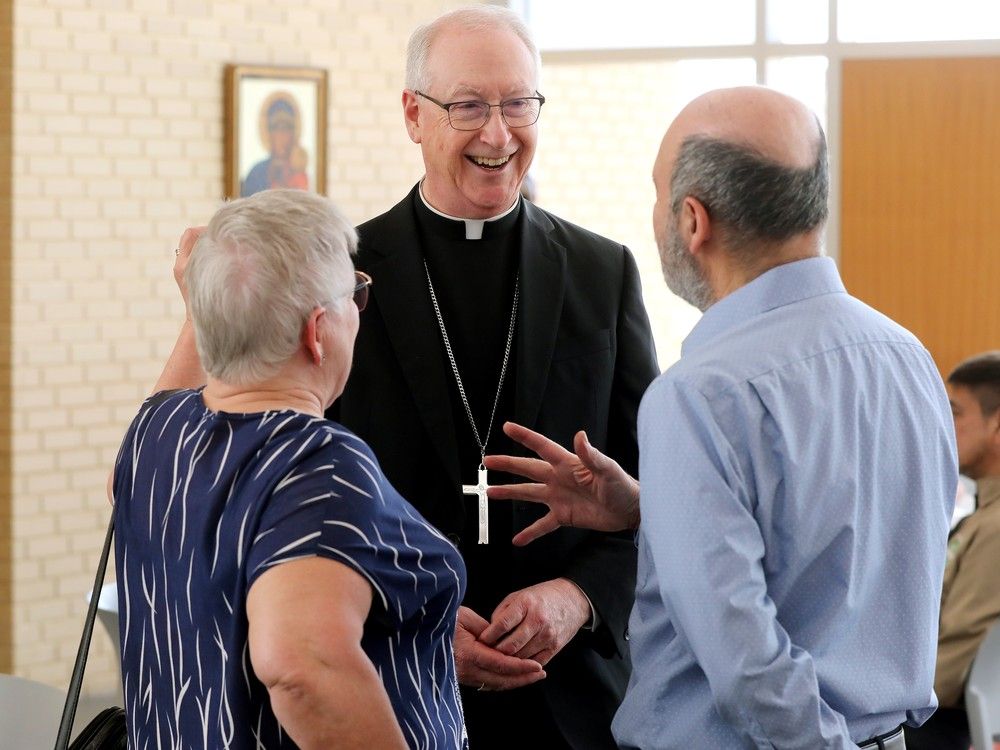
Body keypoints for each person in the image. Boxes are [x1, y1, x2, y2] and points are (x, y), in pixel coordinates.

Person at [485, 86, 957, 749]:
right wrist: (654, 509)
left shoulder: (701, 394)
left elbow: (748, 669)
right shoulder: (907, 357)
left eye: (657, 198)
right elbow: (841, 553)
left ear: (692, 220)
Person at [328, 6, 659, 748]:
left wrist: (578, 597)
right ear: (414, 115)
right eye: (468, 106)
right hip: (393, 696)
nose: (499, 134)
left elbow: (651, 496)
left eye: (518, 103)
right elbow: (309, 514)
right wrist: (413, 628)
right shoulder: (343, 278)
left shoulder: (602, 274)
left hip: (573, 703)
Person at [110, 189, 467, 749]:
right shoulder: (316, 461)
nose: (359, 311)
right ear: (316, 332)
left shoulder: (156, 430)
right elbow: (302, 670)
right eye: (357, 294)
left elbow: (123, 480)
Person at [905, 351, 1000, 750]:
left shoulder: (995, 528)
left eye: (956, 413)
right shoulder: (983, 515)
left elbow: (952, 662)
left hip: (937, 727)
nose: (944, 425)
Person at [241, 94, 309, 196]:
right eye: (276, 128)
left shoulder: (298, 171)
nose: (281, 136)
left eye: (287, 128)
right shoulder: (257, 173)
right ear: (268, 133)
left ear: (293, 134)